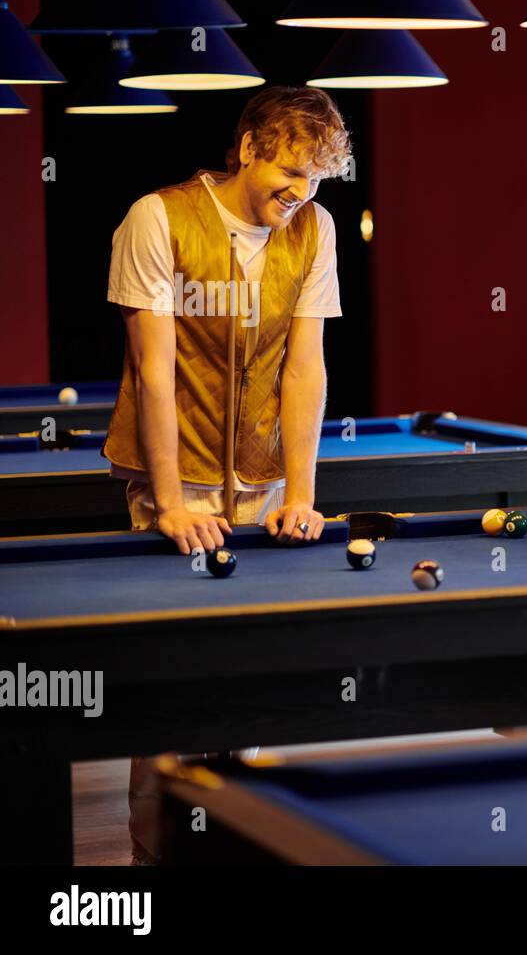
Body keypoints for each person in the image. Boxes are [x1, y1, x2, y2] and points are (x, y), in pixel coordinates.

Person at [103, 85, 352, 863]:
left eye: (314, 178)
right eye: (288, 171)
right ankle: (154, 863)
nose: (298, 192)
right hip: (175, 482)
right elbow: (154, 370)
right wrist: (174, 505)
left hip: (265, 481)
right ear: (247, 147)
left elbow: (305, 367)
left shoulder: (314, 227)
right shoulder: (159, 216)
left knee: (264, 682)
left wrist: (304, 496)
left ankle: (254, 849)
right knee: (176, 691)